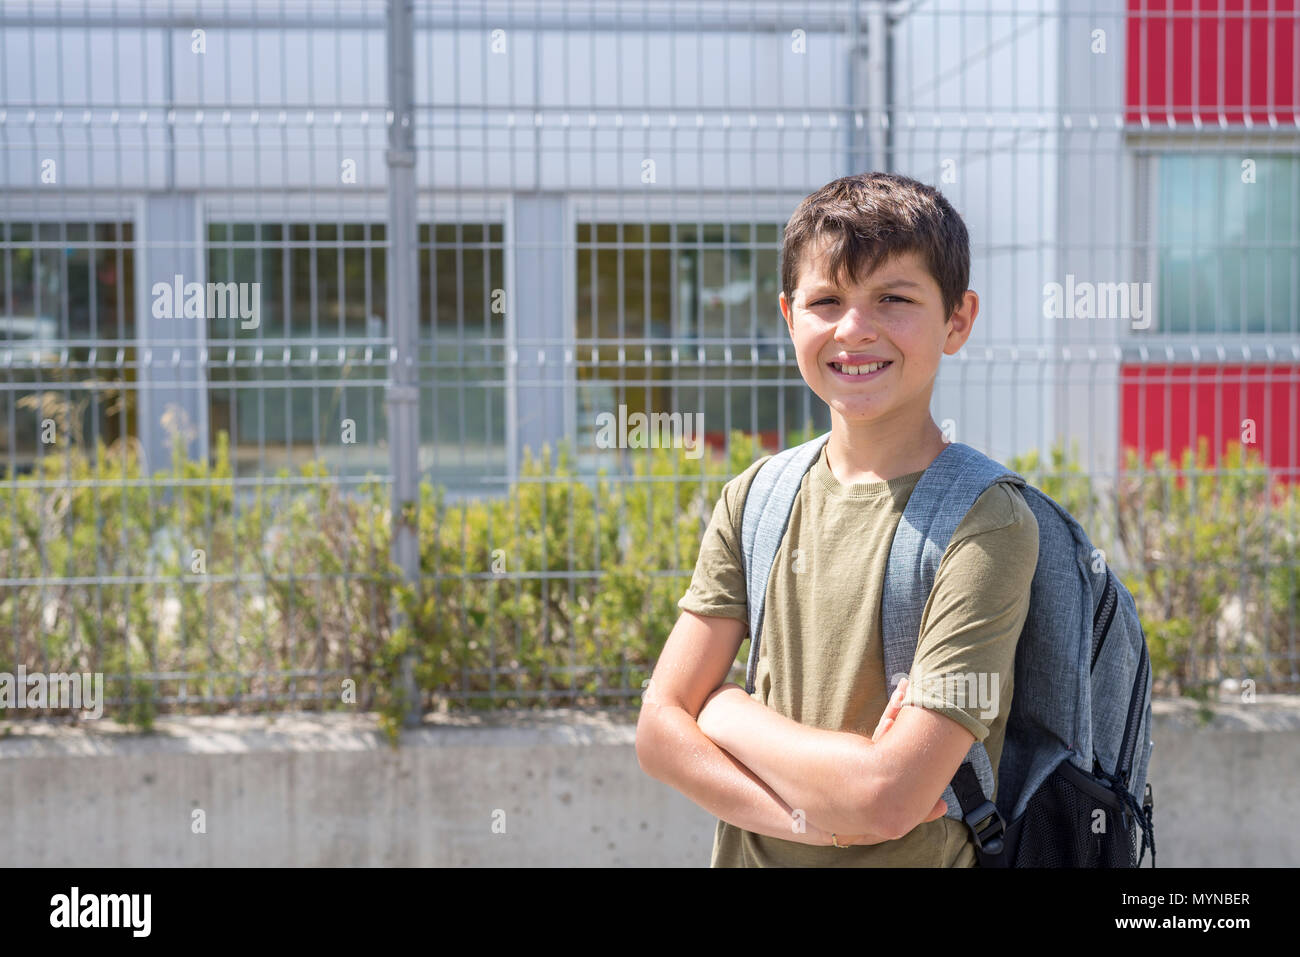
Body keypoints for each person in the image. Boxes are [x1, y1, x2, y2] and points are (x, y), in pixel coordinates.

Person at [634, 172, 1040, 866]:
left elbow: (887, 795)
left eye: (894, 298)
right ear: (790, 318)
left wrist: (726, 711)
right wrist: (810, 820)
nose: (855, 329)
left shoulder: (986, 520)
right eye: (827, 300)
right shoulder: (756, 496)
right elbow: (657, 732)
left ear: (958, 320)